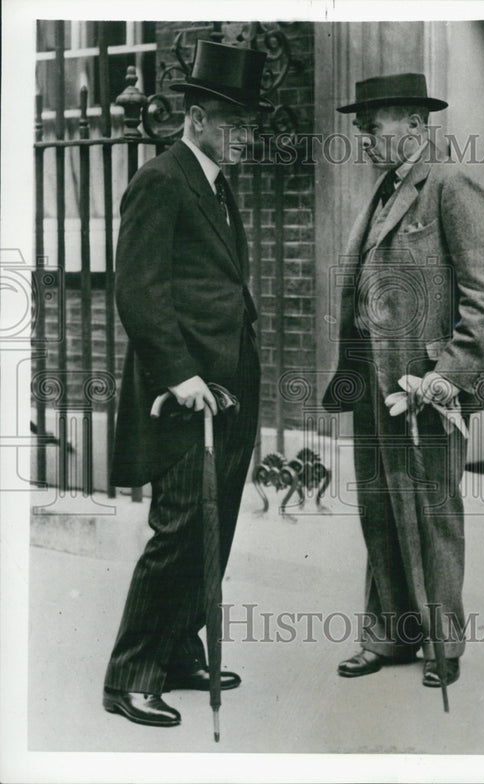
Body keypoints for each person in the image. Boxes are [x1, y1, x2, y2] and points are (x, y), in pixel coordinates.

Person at [322, 73, 484, 688]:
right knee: (379, 506)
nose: (366, 140)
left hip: (426, 389)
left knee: (432, 509)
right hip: (375, 385)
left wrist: (446, 376)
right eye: (361, 130)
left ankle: (442, 644)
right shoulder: (382, 194)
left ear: (416, 126)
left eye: (373, 128)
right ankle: (389, 637)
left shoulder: (451, 188)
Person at [103, 40, 270, 727]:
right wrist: (180, 374)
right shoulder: (162, 179)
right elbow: (139, 292)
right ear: (197, 116)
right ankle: (130, 674)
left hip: (229, 388)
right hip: (182, 394)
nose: (244, 137)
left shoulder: (215, 183)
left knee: (215, 524)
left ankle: (178, 649)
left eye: (250, 126)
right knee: (178, 532)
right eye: (234, 124)